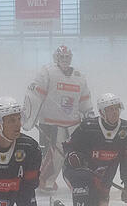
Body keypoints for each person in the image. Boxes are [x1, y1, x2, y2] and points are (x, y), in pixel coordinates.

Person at [50, 92, 127, 206]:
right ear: (101, 112)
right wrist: (73, 155)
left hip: (103, 179)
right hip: (79, 172)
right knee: (82, 182)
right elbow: (68, 145)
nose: (114, 112)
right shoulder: (88, 127)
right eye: (110, 109)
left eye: (116, 108)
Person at [23, 45, 93, 192]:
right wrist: (29, 116)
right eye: (62, 57)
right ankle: (45, 181)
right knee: (54, 155)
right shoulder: (47, 72)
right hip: (51, 123)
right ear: (56, 57)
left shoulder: (79, 76)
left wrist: (89, 114)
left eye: (67, 57)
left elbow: (84, 99)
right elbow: (35, 95)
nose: (65, 60)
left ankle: (77, 181)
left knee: (76, 155)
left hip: (74, 124)